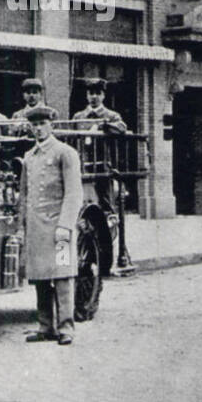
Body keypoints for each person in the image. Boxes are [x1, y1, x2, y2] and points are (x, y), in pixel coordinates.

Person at [21, 105, 83, 345]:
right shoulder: (29, 157)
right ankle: (45, 326)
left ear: (51, 125)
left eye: (42, 124)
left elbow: (74, 193)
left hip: (59, 224)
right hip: (37, 225)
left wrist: (65, 224)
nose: (38, 129)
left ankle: (66, 327)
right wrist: (21, 225)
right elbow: (24, 194)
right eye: (34, 125)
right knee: (40, 276)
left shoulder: (65, 153)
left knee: (63, 274)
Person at [71, 78, 132, 274]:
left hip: (103, 171)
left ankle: (108, 256)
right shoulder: (79, 116)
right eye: (90, 93)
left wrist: (106, 126)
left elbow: (122, 128)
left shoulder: (111, 115)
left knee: (106, 210)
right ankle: (86, 254)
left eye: (97, 93)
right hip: (83, 170)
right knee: (82, 211)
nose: (94, 96)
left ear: (104, 95)